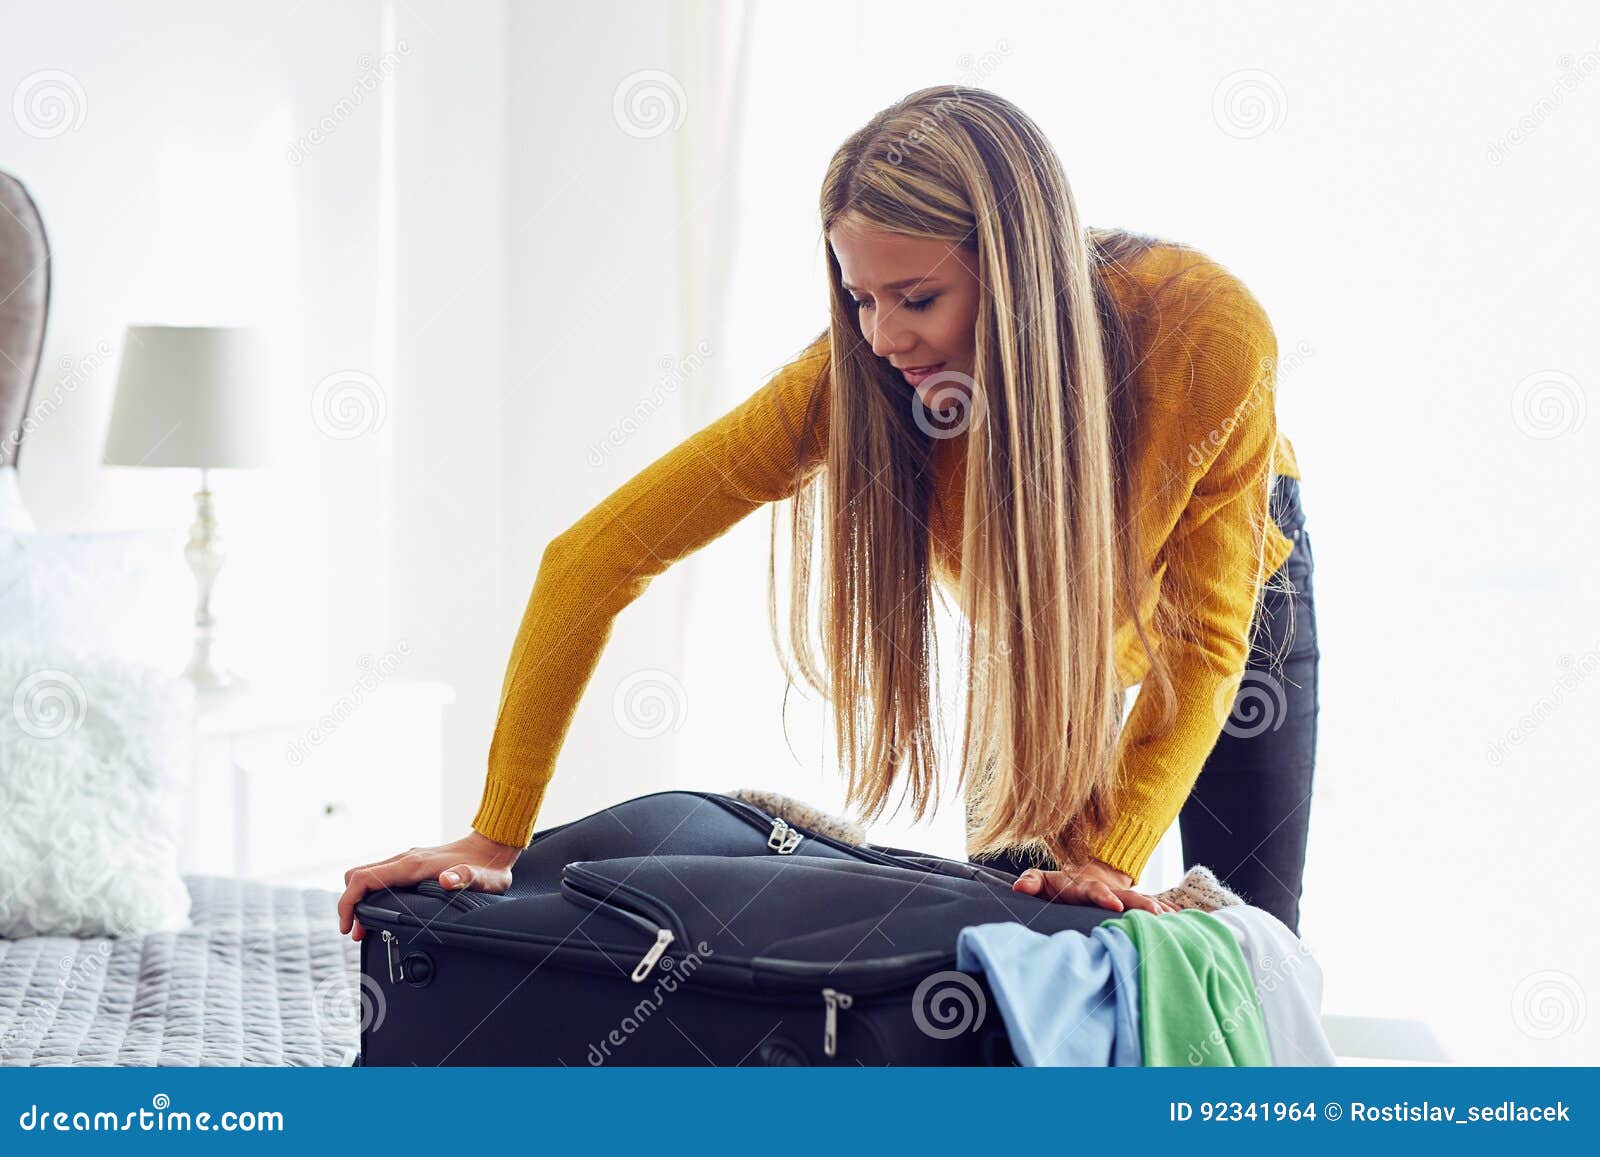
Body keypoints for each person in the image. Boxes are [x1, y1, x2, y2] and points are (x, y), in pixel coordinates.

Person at [338, 84, 1318, 942]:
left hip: (1235, 618)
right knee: (1013, 947)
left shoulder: (1207, 332)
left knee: (1258, 943)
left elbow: (1205, 644)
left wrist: (1107, 856)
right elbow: (590, 558)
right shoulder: (853, 383)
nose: (883, 337)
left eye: (917, 298)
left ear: (1013, 271)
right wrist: (496, 835)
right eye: (860, 298)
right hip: (1034, 634)